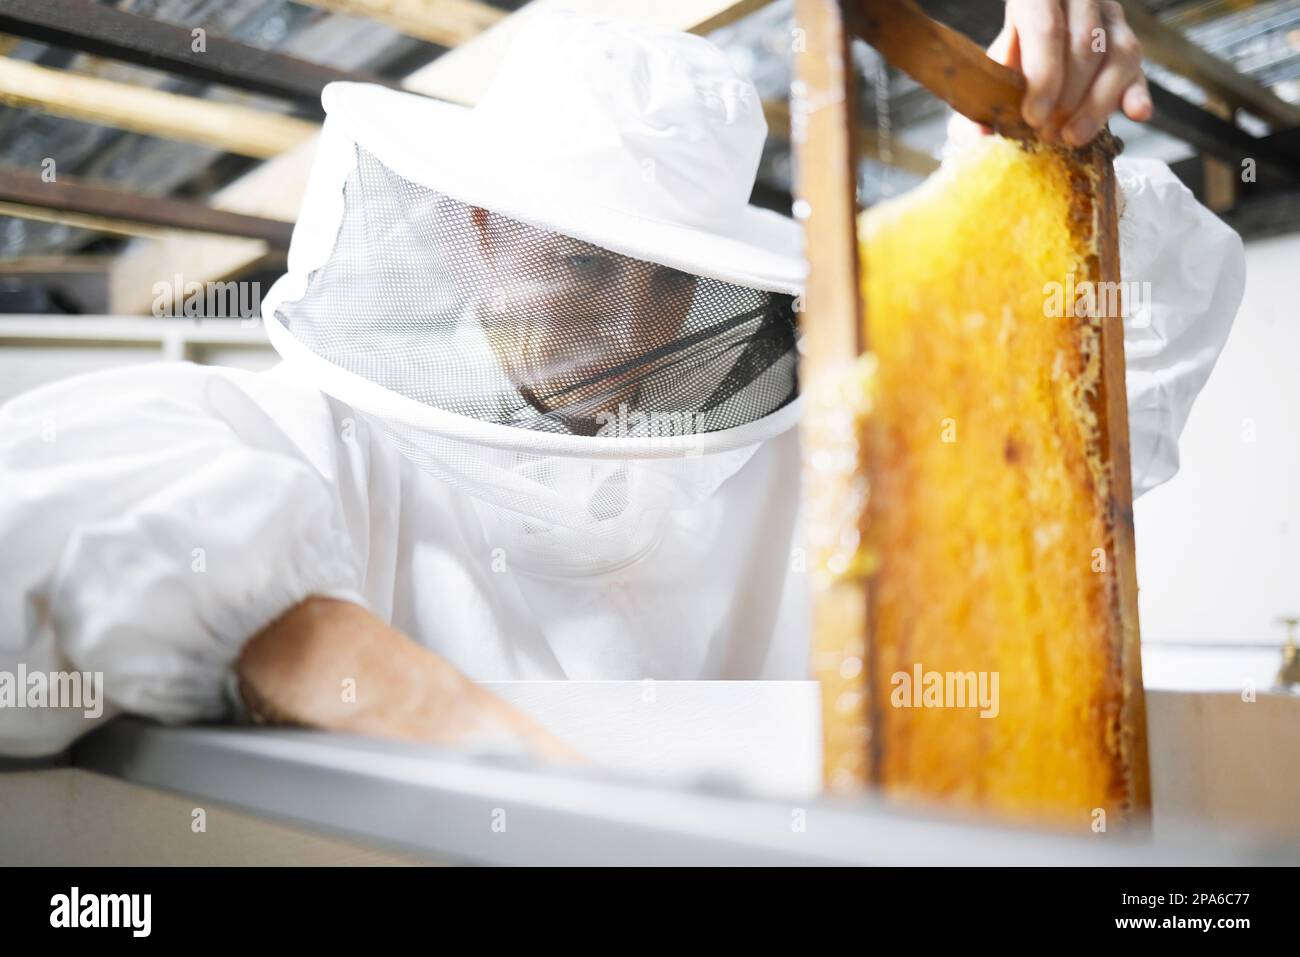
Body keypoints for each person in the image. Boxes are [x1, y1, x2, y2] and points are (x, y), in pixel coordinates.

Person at [0, 4, 1245, 757]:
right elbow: (41, 519)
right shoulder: (327, 447)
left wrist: (1036, 157)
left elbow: (1116, 369)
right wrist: (505, 765)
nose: (635, 322)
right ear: (479, 230)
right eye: (584, 258)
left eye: (679, 280)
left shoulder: (814, 477)